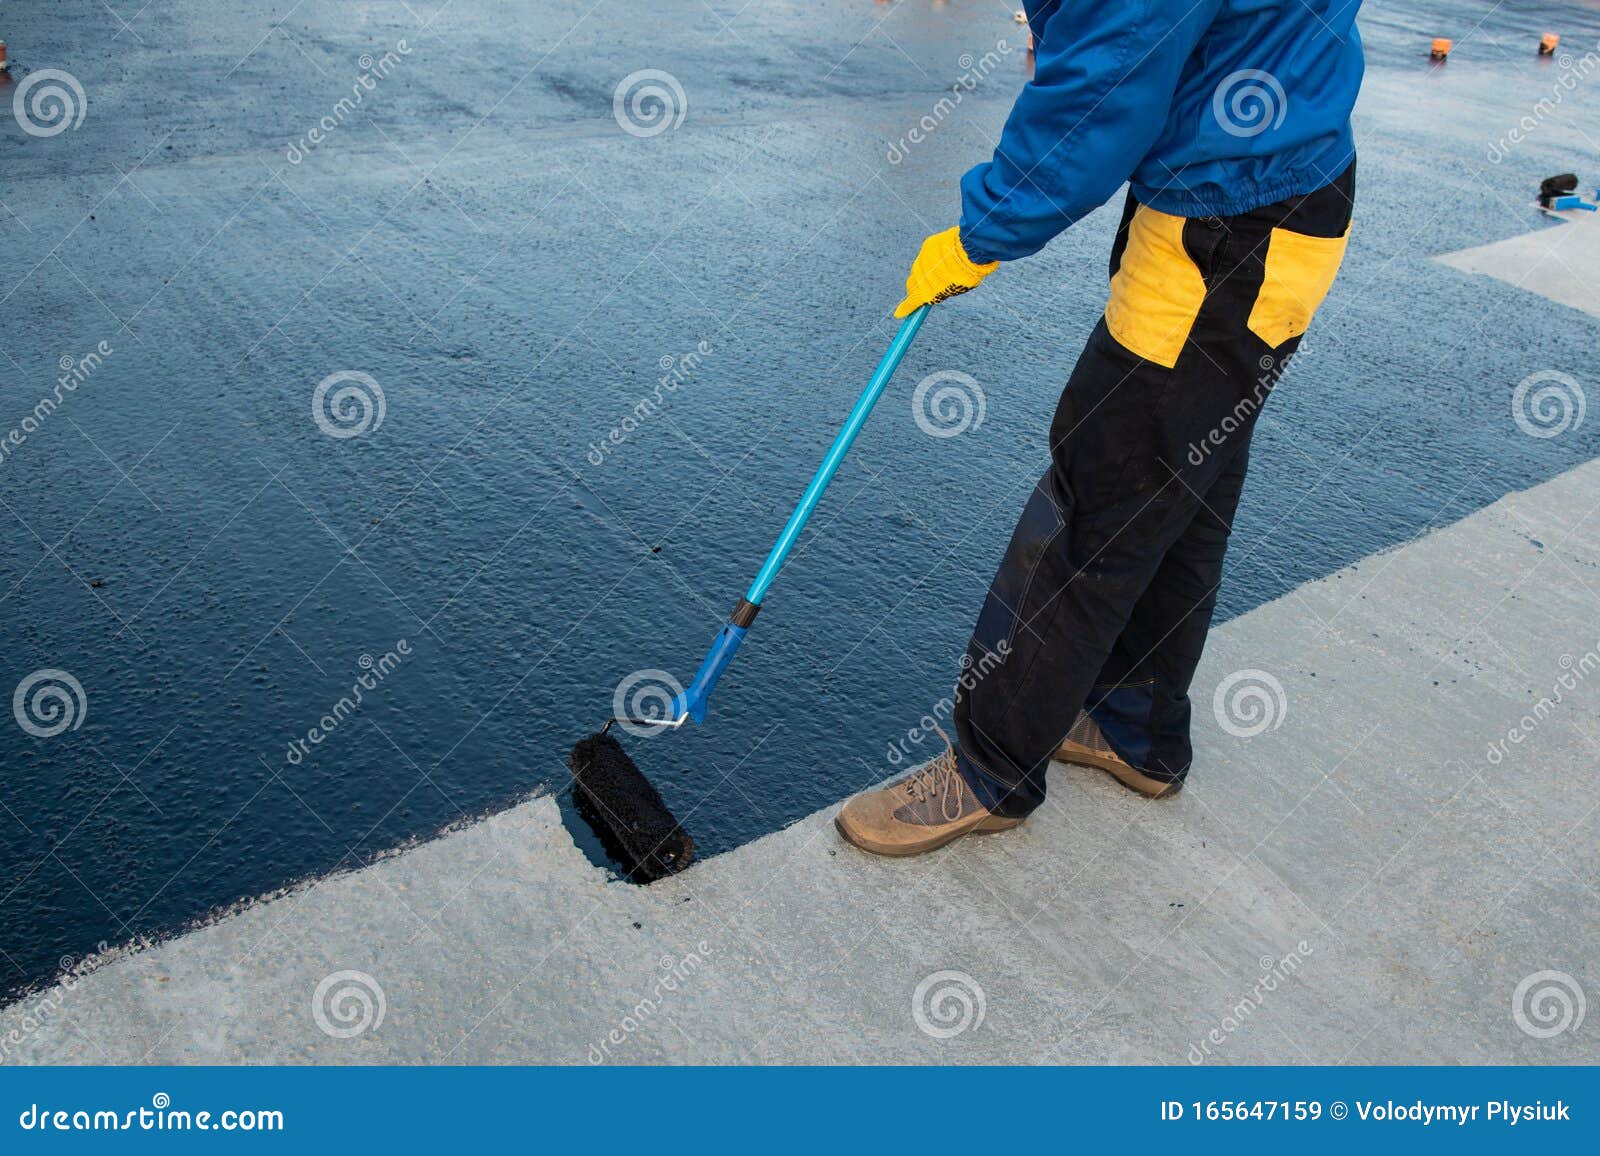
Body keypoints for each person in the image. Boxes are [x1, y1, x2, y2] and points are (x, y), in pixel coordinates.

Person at [836, 0, 1363, 856]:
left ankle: (989, 769)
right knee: (1186, 487)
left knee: (1100, 495)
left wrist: (984, 230)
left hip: (1223, 225)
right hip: (1282, 192)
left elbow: (1105, 87)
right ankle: (1134, 727)